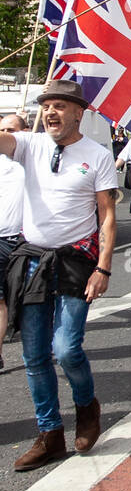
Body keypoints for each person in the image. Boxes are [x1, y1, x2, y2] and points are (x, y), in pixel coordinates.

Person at [0, 80, 116, 470]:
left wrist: (103, 268)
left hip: (75, 262)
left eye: (60, 106)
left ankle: (87, 407)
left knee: (67, 349)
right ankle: (50, 435)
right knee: (34, 356)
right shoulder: (28, 144)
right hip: (32, 260)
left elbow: (108, 216)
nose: (50, 112)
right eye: (46, 106)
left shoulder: (96, 155)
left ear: (78, 112)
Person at [0, 113, 27, 373]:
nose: (6, 134)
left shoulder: (32, 160)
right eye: (3, 129)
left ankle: (40, 345)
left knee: (27, 301)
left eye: (12, 129)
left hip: (24, 243)